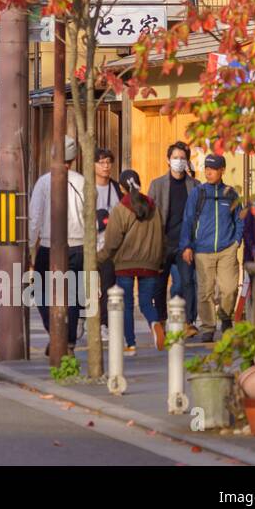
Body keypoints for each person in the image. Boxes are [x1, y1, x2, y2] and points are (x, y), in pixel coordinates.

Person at [28, 136, 85, 353]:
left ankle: (55, 334)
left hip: (48, 246)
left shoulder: (44, 182)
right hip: (78, 246)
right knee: (72, 295)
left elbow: (34, 218)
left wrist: (29, 248)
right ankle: (68, 341)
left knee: (42, 294)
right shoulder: (82, 181)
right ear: (75, 157)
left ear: (53, 155)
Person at [99, 170, 167, 353]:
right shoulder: (154, 208)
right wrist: (160, 261)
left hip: (125, 264)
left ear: (121, 188)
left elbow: (112, 241)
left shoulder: (121, 209)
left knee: (127, 305)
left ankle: (131, 344)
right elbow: (162, 236)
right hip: (150, 263)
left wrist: (99, 258)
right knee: (146, 302)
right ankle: (154, 323)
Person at [180, 153, 245, 343]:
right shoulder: (198, 193)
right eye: (206, 168)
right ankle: (208, 326)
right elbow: (188, 220)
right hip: (202, 250)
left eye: (212, 169)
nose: (208, 172)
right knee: (205, 291)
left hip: (227, 249)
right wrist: (187, 246)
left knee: (230, 288)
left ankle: (225, 319)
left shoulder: (231, 193)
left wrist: (236, 242)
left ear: (222, 170)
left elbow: (239, 220)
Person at [148, 141, 199, 337]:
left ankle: (188, 322)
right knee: (159, 284)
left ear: (187, 161)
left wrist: (192, 243)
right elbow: (150, 215)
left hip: (185, 244)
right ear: (167, 160)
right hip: (163, 243)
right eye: (175, 158)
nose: (178, 161)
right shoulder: (157, 184)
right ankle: (161, 320)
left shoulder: (195, 186)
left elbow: (198, 217)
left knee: (187, 282)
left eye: (182, 158)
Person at [92, 148, 123, 339]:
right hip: (88, 244)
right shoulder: (86, 187)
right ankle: (86, 319)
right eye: (101, 162)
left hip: (110, 246)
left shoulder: (116, 188)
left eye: (108, 162)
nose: (105, 166)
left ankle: (103, 323)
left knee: (107, 285)